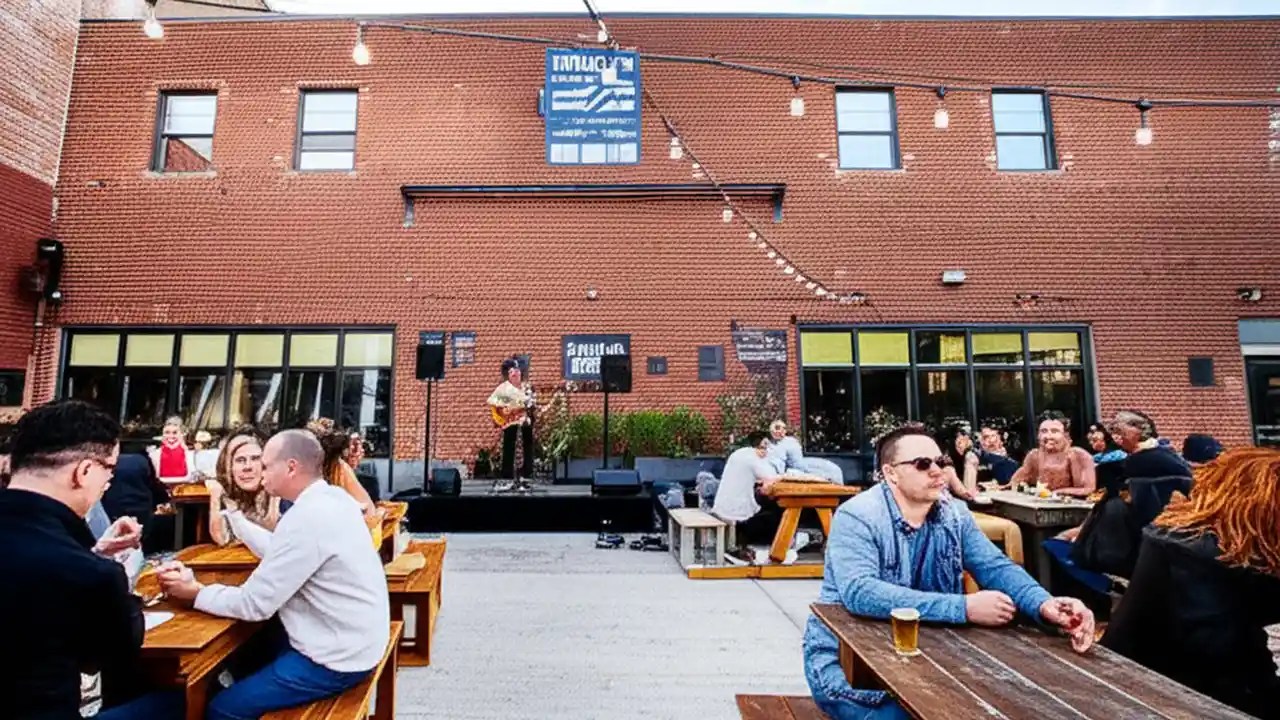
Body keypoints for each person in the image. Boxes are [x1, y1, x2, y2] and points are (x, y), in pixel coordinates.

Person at [802, 423, 1094, 720]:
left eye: (941, 461)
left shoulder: (953, 513)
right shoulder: (859, 515)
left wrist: (1044, 605)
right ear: (891, 473)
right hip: (849, 661)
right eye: (922, 464)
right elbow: (861, 593)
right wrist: (964, 607)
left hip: (928, 656)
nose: (937, 470)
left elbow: (994, 566)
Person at [157, 429, 390, 719]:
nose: (260, 472)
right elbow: (281, 550)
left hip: (336, 660)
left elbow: (253, 605)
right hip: (357, 642)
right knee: (247, 654)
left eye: (266, 465)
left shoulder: (307, 517)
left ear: (291, 467)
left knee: (221, 709)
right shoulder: (331, 500)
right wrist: (236, 519)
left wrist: (194, 593)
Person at [0, 400, 181, 719]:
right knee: (181, 700)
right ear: (83, 472)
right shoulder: (89, 573)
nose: (108, 482)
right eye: (109, 469)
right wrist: (110, 570)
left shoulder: (80, 563)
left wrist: (93, 554)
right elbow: (108, 654)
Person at [1103, 447, 1280, 719]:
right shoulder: (1208, 559)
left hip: (1130, 679)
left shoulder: (1185, 537)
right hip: (1173, 698)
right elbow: (1226, 671)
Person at [712, 431, 825, 564]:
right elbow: (771, 477)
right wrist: (790, 476)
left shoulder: (739, 454)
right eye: (763, 447)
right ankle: (783, 549)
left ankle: (785, 545)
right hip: (737, 511)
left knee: (776, 505)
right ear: (754, 446)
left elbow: (761, 478)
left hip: (726, 504)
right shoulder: (751, 457)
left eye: (767, 447)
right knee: (782, 509)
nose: (766, 451)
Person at [207, 433, 280, 547]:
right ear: (228, 467)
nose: (248, 467)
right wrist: (216, 499)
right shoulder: (226, 493)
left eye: (255, 459)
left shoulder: (283, 496)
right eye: (240, 460)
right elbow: (222, 539)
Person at [1009, 413, 1096, 497]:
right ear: (1038, 436)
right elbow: (1016, 481)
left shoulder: (1079, 455)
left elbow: (1088, 489)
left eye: (1054, 431)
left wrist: (1057, 492)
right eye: (1044, 431)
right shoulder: (1034, 456)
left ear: (1066, 435)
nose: (1048, 436)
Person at [487, 356, 535, 491]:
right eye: (512, 372)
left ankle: (525, 477)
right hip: (510, 423)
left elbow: (530, 405)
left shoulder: (527, 388)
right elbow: (495, 406)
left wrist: (529, 405)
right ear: (508, 374)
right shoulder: (503, 389)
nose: (516, 374)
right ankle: (507, 478)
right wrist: (506, 411)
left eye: (518, 371)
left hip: (524, 423)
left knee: (526, 447)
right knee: (509, 448)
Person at [1110, 410, 1191, 481]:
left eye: (1120, 432)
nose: (1117, 437)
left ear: (1137, 432)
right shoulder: (1162, 452)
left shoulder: (1149, 456)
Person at [767, 419, 844, 484]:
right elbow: (779, 464)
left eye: (783, 428)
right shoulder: (773, 445)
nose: (780, 431)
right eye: (777, 428)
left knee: (832, 469)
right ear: (771, 431)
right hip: (796, 467)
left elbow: (785, 463)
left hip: (800, 465)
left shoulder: (789, 441)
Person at [149, 415, 196, 484]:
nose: (171, 436)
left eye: (175, 433)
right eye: (167, 433)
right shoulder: (153, 455)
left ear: (182, 434)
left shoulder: (191, 455)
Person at [976, 422, 1019, 486]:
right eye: (986, 437)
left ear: (1000, 438)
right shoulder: (975, 459)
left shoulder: (1015, 458)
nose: (991, 441)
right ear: (980, 440)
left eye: (994, 436)